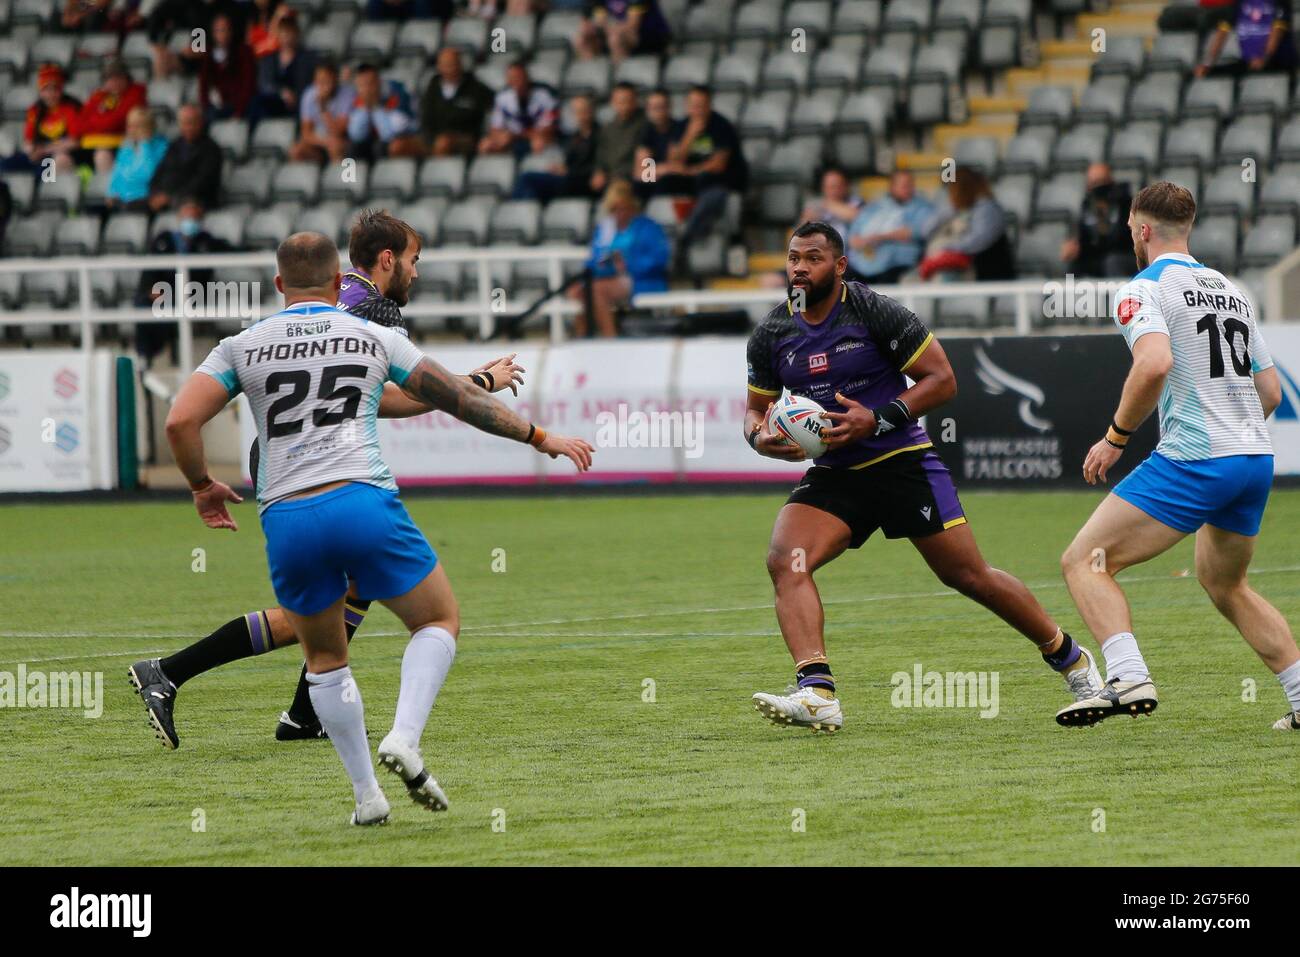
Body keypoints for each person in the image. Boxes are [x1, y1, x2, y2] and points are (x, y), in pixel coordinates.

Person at [144, 231, 592, 824]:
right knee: (436, 618)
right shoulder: (370, 332)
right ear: (339, 284)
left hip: (285, 508)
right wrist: (541, 437)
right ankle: (403, 738)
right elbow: (457, 400)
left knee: (325, 656)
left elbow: (179, 420)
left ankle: (365, 796)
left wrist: (202, 487)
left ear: (278, 285)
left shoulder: (241, 346)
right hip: (359, 496)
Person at [129, 211, 527, 746]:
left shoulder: (355, 302)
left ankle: (294, 712)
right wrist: (479, 382)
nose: (417, 272)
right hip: (306, 462)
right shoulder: (365, 308)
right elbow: (391, 395)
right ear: (387, 260)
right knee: (332, 600)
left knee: (347, 592)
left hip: (295, 454)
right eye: (413, 260)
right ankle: (181, 674)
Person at [743, 222, 1100, 732]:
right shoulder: (773, 333)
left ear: (840, 266)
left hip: (901, 463)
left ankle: (1070, 658)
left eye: (814, 258)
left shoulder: (874, 311)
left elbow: (943, 380)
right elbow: (754, 413)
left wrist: (876, 417)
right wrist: (761, 439)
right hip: (836, 474)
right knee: (786, 560)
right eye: (794, 257)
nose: (800, 267)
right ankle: (818, 692)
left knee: (968, 576)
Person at [1055, 182, 1300, 730]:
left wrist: (1115, 438)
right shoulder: (1231, 290)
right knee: (1226, 584)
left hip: (1198, 459)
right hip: (1254, 459)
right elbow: (1272, 393)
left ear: (1141, 230)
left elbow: (1154, 364)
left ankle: (1126, 676)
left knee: (1086, 560)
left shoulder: (1142, 288)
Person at [132, 197, 234, 364]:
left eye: (194, 217)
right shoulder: (164, 239)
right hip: (163, 292)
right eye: (187, 217)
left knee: (172, 308)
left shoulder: (206, 241)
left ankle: (167, 353)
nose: (190, 221)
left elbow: (231, 252)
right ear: (179, 218)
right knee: (142, 303)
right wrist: (151, 288)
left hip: (195, 294)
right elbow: (150, 268)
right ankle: (146, 356)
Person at [661, 86, 748, 274]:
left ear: (709, 106)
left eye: (701, 105)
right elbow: (673, 160)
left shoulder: (721, 126)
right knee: (662, 181)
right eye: (693, 105)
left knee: (712, 193)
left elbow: (718, 164)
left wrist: (689, 170)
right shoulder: (682, 126)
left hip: (721, 181)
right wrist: (690, 136)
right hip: (693, 181)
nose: (697, 110)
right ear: (686, 106)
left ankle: (686, 239)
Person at [571, 179, 670, 337]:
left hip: (641, 279)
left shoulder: (648, 227)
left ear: (632, 207)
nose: (620, 213)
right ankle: (583, 335)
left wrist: (626, 264)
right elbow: (593, 260)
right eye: (615, 209)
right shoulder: (605, 229)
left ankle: (610, 337)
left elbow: (659, 259)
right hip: (609, 277)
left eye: (624, 208)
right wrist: (605, 264)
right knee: (577, 290)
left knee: (595, 290)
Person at [919, 167, 1014, 281]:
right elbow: (926, 230)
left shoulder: (987, 208)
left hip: (990, 276)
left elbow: (977, 241)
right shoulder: (958, 208)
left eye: (952, 188)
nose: (950, 193)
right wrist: (950, 209)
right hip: (966, 274)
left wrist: (946, 248)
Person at [846, 170, 934, 285]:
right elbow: (854, 236)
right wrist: (860, 241)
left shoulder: (922, 207)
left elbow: (911, 232)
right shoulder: (876, 206)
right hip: (863, 264)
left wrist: (880, 237)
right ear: (892, 187)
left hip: (897, 266)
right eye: (903, 185)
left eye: (909, 185)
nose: (907, 188)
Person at [512, 94, 599, 202]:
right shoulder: (574, 136)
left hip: (580, 181)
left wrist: (568, 171)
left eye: (581, 111)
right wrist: (559, 168)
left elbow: (598, 165)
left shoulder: (599, 135)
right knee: (530, 191)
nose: (578, 115)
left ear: (590, 111)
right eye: (575, 112)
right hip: (567, 178)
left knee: (527, 178)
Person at [3, 64, 81, 175]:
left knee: (51, 165)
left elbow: (74, 142)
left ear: (61, 89)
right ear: (40, 91)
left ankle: (49, 191)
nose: (50, 94)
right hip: (39, 154)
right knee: (6, 164)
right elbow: (28, 142)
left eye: (54, 89)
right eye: (46, 90)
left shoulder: (71, 108)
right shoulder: (35, 110)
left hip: (60, 154)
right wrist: (31, 151)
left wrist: (45, 150)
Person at [1060, 163, 1134, 278]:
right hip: (1098, 257)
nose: (1099, 187)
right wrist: (1075, 248)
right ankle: (1063, 295)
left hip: (1124, 255)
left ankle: (1119, 295)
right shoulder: (1087, 209)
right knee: (1074, 267)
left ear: (1111, 180)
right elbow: (1084, 239)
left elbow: (1127, 239)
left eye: (1103, 181)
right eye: (1094, 183)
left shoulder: (1126, 205)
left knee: (1112, 262)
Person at [418, 47, 495, 158]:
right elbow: (426, 117)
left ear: (460, 64)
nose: (449, 69)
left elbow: (494, 105)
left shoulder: (475, 87)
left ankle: (436, 172)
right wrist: (429, 137)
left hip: (466, 138)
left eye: (452, 64)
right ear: (439, 67)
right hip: (433, 138)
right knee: (400, 146)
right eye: (445, 65)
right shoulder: (433, 87)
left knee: (443, 142)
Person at [77, 58, 147, 173]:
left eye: (118, 78)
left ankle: (109, 190)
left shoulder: (135, 95)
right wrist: (100, 122)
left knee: (102, 155)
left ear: (127, 79)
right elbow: (79, 125)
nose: (114, 82)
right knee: (62, 157)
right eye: (109, 78)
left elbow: (113, 123)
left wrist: (94, 122)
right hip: (94, 144)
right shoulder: (99, 96)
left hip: (124, 145)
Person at [149, 104, 224, 211]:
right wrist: (155, 194)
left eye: (192, 123)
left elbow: (201, 182)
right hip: (167, 198)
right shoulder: (174, 145)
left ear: (200, 123)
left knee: (187, 206)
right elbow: (158, 173)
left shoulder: (211, 149)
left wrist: (169, 197)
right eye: (184, 123)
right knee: (136, 206)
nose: (188, 127)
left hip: (197, 200)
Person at [479, 61, 559, 158]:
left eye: (520, 77)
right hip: (512, 138)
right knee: (486, 145)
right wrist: (501, 136)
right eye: (513, 78)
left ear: (527, 77)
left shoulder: (545, 95)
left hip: (537, 137)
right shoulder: (502, 97)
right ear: (508, 80)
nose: (517, 81)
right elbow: (495, 128)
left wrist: (517, 135)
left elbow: (549, 129)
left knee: (539, 142)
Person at [1196, 0, 1297, 76]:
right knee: (1210, 73)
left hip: (1277, 62)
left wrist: (1264, 57)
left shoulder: (1279, 2)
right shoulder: (1238, 3)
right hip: (1248, 62)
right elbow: (1221, 33)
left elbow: (1277, 31)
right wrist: (1207, 63)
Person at [346, 63, 424, 161]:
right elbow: (356, 135)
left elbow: (389, 134)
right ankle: (353, 176)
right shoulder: (357, 99)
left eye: (370, 84)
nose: (366, 90)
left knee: (382, 147)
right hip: (377, 140)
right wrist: (366, 108)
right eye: (361, 85)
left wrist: (375, 106)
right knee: (353, 148)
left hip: (407, 138)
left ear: (378, 82)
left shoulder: (397, 93)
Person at [249, 12, 316, 125]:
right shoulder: (269, 60)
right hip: (275, 101)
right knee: (256, 102)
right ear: (278, 35)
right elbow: (264, 83)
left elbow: (310, 84)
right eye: (283, 33)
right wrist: (281, 92)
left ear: (296, 34)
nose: (286, 38)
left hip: (298, 103)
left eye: (289, 33)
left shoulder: (307, 59)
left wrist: (295, 95)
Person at [289, 61, 354, 164]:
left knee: (336, 146)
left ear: (335, 79)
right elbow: (306, 133)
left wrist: (323, 107)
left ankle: (338, 178)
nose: (322, 85)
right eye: (319, 81)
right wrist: (325, 142)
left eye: (326, 80)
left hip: (341, 139)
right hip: (320, 140)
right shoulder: (309, 94)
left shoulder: (347, 94)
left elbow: (338, 131)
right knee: (296, 151)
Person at [107, 107, 169, 211]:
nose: (131, 130)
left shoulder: (162, 146)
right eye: (129, 126)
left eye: (137, 126)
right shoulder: (126, 147)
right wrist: (112, 192)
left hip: (145, 198)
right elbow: (117, 172)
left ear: (149, 127)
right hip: (123, 199)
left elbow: (147, 174)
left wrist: (145, 144)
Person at [198, 12, 257, 120]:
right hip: (219, 106)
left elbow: (248, 84)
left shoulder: (244, 52)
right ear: (213, 33)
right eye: (218, 31)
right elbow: (204, 84)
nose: (222, 34)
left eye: (225, 29)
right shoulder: (209, 54)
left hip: (240, 105)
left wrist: (239, 111)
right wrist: (206, 105)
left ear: (231, 31)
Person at [575, 0, 672, 63]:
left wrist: (610, 29)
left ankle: (619, 76)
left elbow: (633, 24)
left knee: (615, 38)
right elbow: (601, 21)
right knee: (582, 39)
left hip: (650, 37)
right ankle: (593, 76)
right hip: (618, 33)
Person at [590, 82, 644, 194]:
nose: (624, 105)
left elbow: (648, 165)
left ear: (635, 101)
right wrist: (599, 172)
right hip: (610, 179)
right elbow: (600, 158)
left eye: (628, 100)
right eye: (620, 101)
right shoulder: (607, 129)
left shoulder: (646, 126)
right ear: (612, 102)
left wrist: (643, 178)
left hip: (635, 179)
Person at [799, 167, 863, 250]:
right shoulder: (815, 206)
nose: (832, 191)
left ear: (846, 186)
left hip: (849, 254)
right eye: (828, 187)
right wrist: (806, 222)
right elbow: (799, 234)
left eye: (836, 186)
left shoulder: (855, 202)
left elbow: (858, 216)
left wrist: (827, 204)